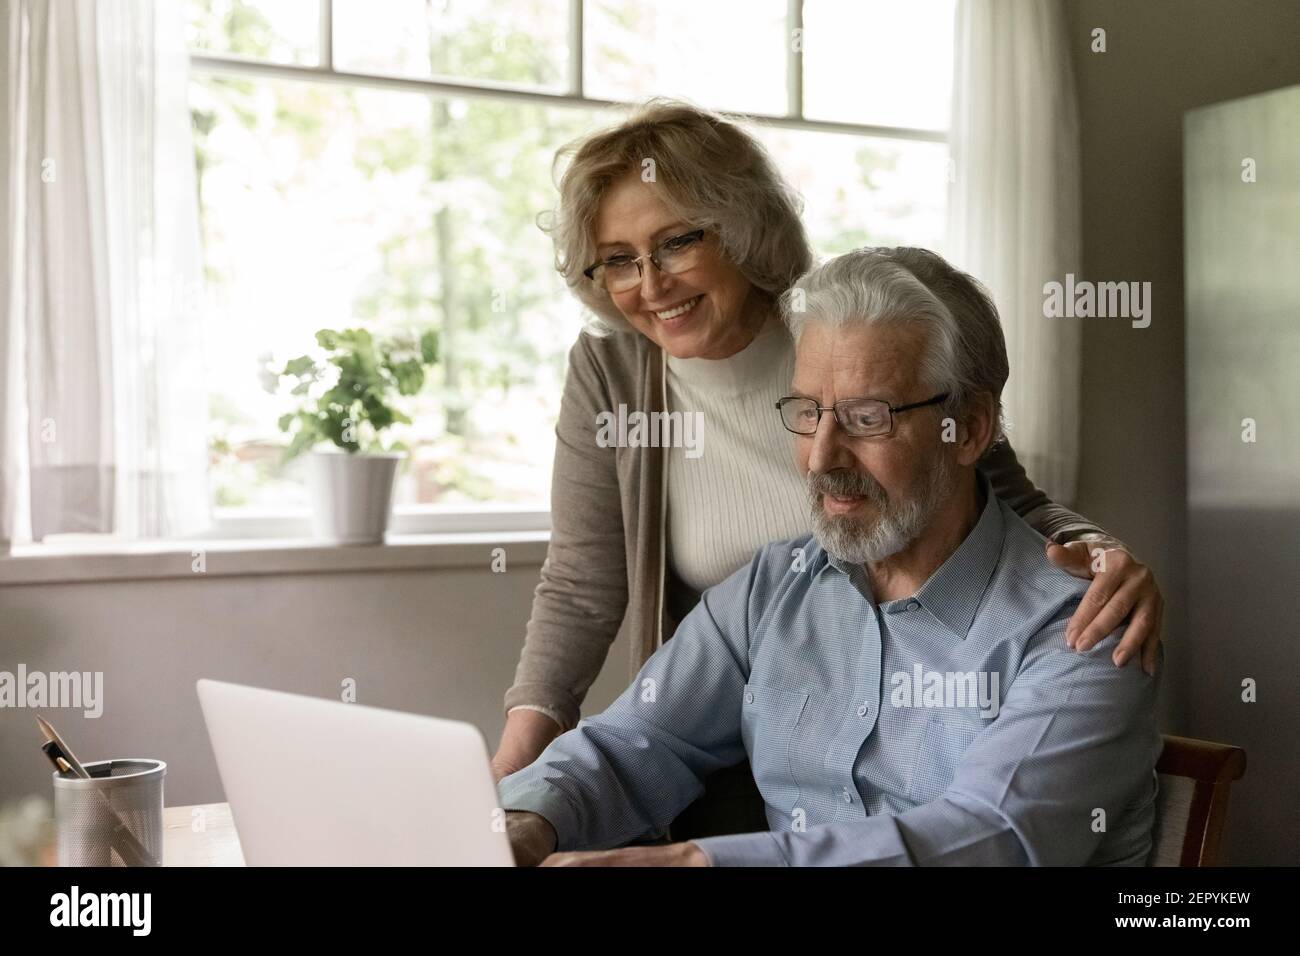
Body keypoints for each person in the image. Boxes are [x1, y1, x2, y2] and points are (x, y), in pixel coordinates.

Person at [492, 99, 1164, 841]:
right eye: (806, 412)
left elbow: (1004, 495)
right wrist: (512, 809)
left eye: (868, 416)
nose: (821, 456)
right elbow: (594, 625)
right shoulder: (765, 590)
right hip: (743, 747)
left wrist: (1100, 555)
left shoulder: (860, 320)